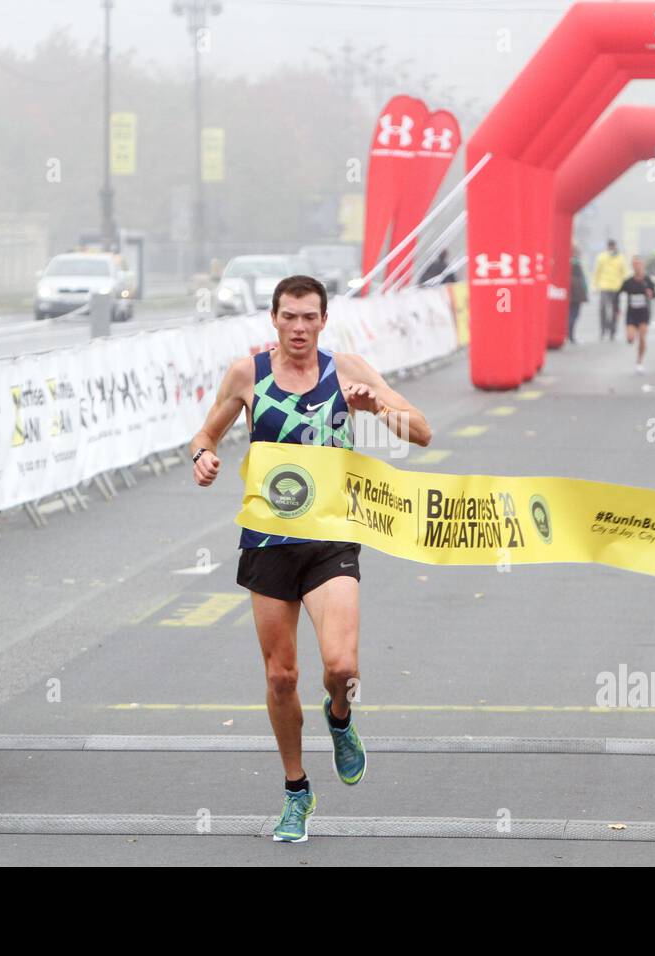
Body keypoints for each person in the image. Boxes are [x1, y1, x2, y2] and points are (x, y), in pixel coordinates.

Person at [189, 275, 432, 843]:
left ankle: (340, 718)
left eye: (309, 318)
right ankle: (297, 790)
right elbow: (207, 432)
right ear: (273, 318)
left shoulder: (347, 370)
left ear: (324, 320)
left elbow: (421, 432)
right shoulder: (247, 373)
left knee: (342, 667)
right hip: (269, 540)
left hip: (332, 537)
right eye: (289, 317)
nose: (299, 328)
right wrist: (202, 456)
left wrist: (379, 411)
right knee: (281, 676)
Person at [619, 255, 655, 374]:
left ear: (642, 265)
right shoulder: (628, 282)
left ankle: (639, 362)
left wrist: (651, 294)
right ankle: (632, 338)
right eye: (634, 264)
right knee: (630, 339)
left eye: (639, 263)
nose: (637, 266)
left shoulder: (648, 281)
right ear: (632, 266)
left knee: (642, 338)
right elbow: (618, 294)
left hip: (644, 313)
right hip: (631, 313)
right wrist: (617, 309)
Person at [592, 239, 628, 340]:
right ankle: (603, 329)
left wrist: (626, 286)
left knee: (615, 311)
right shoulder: (602, 257)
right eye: (609, 246)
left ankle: (613, 330)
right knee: (603, 308)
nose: (611, 248)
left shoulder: (620, 258)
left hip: (617, 287)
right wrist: (594, 285)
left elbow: (624, 272)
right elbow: (597, 272)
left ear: (615, 246)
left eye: (612, 246)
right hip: (604, 286)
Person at [567, 245, 588, 344]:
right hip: (576, 293)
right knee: (574, 314)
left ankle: (569, 334)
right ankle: (570, 334)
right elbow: (582, 281)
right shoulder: (576, 263)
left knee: (571, 314)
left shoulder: (567, 262)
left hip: (570, 293)